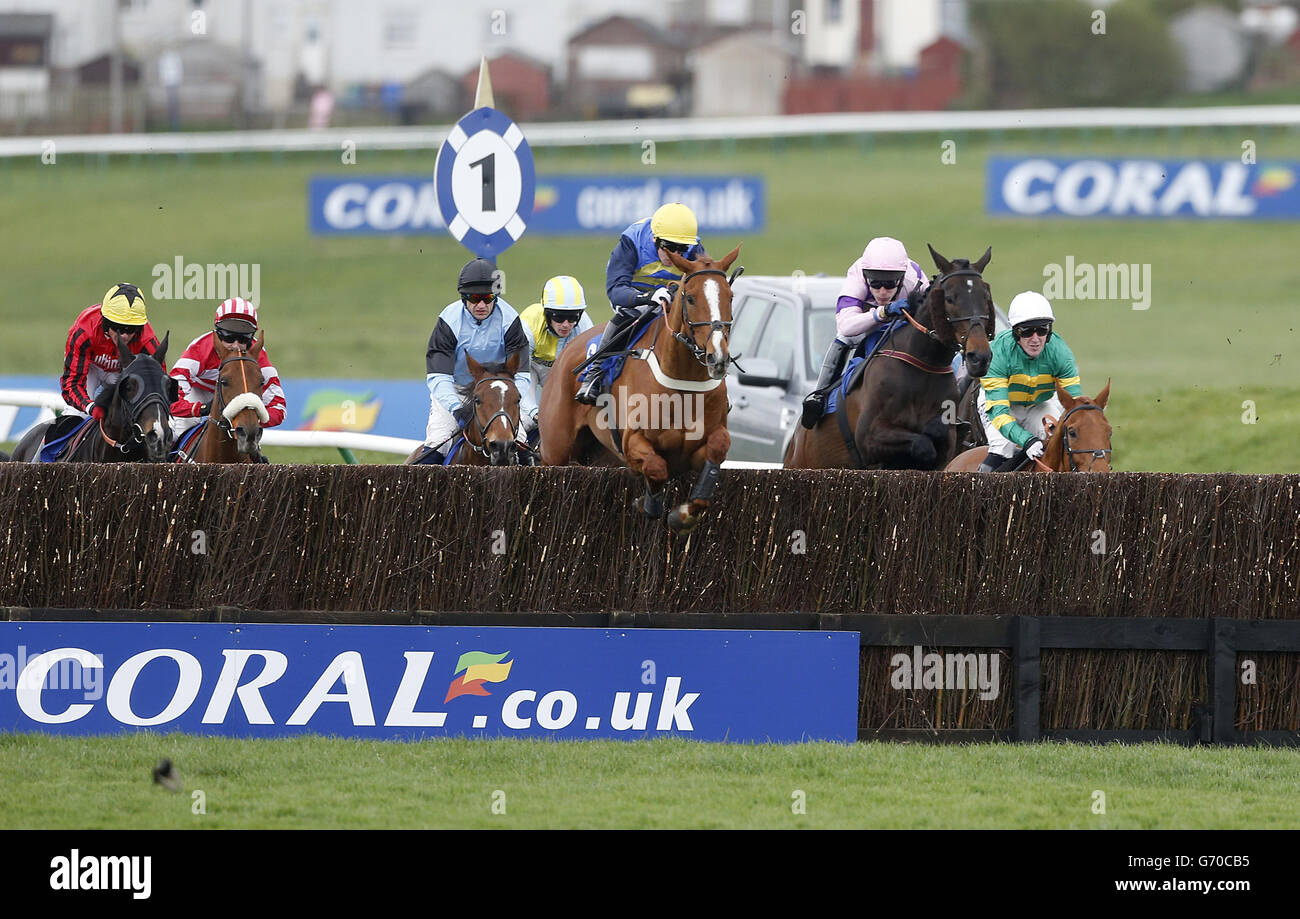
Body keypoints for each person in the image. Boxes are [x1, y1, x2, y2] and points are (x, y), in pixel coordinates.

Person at [575, 202, 708, 404]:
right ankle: (594, 372)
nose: (676, 255)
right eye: (670, 248)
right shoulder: (632, 241)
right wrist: (646, 298)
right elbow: (615, 290)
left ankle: (713, 375)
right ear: (655, 239)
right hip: (633, 298)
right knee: (631, 315)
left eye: (682, 249)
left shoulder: (694, 247)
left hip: (672, 298)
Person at [800, 237, 928, 428]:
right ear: (866, 276)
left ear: (902, 277)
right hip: (869, 320)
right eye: (875, 283)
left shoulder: (915, 279)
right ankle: (819, 396)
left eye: (890, 283)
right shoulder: (856, 276)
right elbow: (845, 326)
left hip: (905, 322)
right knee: (843, 338)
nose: (883, 291)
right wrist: (881, 313)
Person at [420, 257, 535, 463]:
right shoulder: (448, 320)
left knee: (521, 447)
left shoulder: (510, 320)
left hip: (497, 394)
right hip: (455, 390)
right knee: (438, 444)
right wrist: (457, 408)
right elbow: (438, 376)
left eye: (488, 297)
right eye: (474, 298)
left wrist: (509, 400)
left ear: (496, 297)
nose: (481, 304)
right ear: (464, 297)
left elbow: (523, 375)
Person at [976, 291, 1083, 472]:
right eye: (1026, 332)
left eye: (1042, 330)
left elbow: (1075, 406)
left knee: (1061, 442)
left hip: (1038, 405)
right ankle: (980, 494)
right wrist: (1027, 440)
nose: (1035, 339)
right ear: (1014, 332)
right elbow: (1000, 414)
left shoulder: (1061, 353)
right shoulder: (997, 354)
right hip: (1000, 405)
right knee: (1003, 447)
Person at [168, 298, 287, 438]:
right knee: (181, 428)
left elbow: (279, 408)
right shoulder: (200, 348)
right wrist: (202, 408)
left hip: (237, 396)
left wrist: (255, 416)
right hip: (200, 393)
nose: (236, 346)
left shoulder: (259, 356)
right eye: (229, 337)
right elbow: (169, 397)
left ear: (252, 337)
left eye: (243, 338)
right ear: (218, 333)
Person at [60, 282, 166, 430]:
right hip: (91, 369)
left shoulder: (147, 342)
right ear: (106, 322)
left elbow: (158, 387)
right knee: (73, 416)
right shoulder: (84, 331)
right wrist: (90, 407)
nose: (124, 336)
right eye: (119, 328)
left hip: (124, 373)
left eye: (131, 329)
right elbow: (71, 383)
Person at [520, 275, 592, 391]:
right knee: (527, 406)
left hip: (566, 369)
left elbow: (591, 366)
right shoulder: (528, 323)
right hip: (532, 369)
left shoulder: (585, 325)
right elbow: (520, 373)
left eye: (572, 317)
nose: (565, 324)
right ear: (547, 314)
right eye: (559, 317)